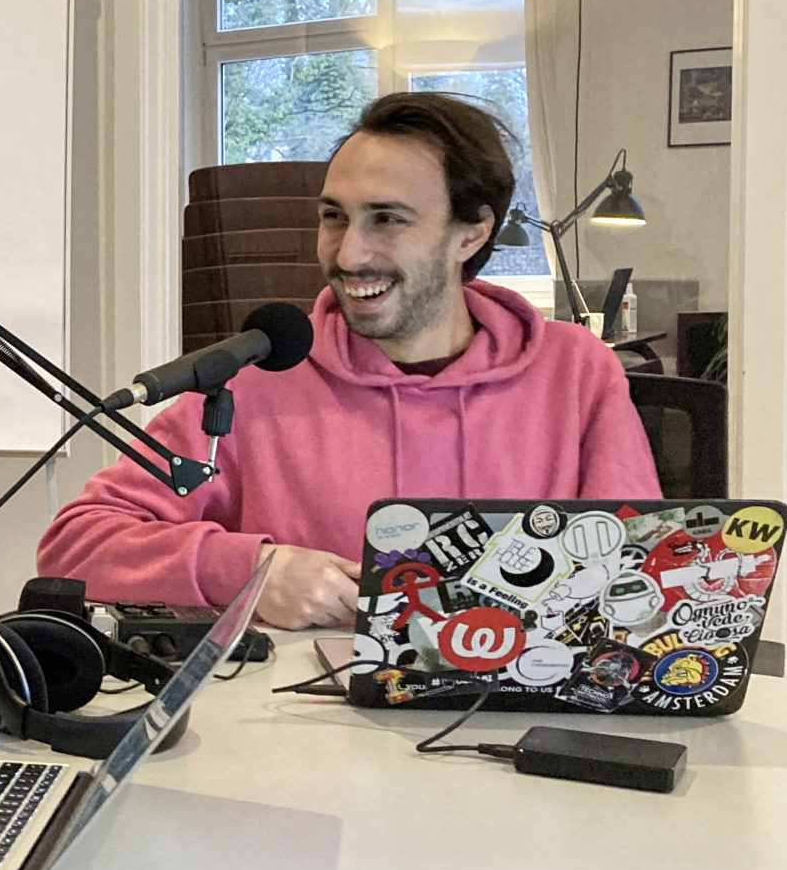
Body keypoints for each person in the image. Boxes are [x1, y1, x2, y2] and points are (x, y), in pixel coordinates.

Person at [37, 91, 661, 630]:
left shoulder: (575, 370)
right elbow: (75, 546)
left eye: (387, 219)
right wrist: (250, 572)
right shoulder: (256, 377)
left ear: (469, 234)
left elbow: (640, 568)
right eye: (334, 217)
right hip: (309, 740)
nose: (349, 253)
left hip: (516, 722)